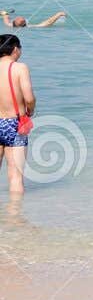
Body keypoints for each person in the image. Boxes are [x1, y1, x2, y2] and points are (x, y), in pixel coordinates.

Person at [0, 34, 35, 194]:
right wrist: (30, 110)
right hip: (13, 124)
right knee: (15, 176)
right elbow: (29, 98)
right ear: (15, 49)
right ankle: (14, 217)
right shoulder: (20, 68)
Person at [0, 11, 67, 29]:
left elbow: (5, 16)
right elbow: (47, 23)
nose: (19, 17)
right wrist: (58, 14)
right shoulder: (29, 26)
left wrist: (4, 13)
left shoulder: (9, 24)